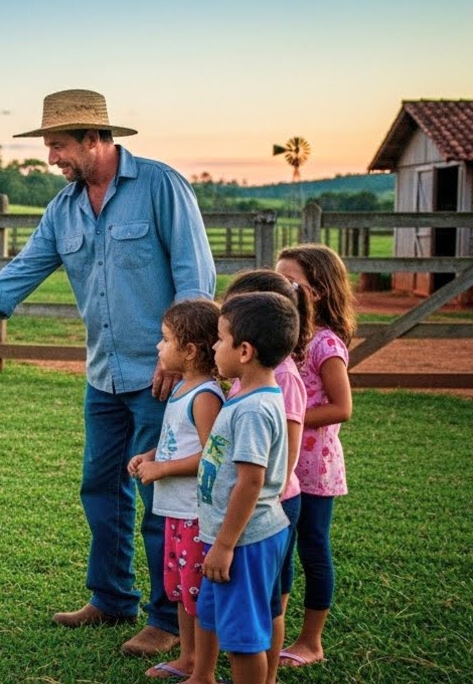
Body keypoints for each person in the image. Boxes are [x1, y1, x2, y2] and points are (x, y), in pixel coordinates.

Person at [0, 89, 217, 655]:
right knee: (100, 488)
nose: (51, 158)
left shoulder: (160, 186)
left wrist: (185, 360)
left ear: (94, 139)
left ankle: (167, 618)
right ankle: (112, 598)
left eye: (58, 146)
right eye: (49, 146)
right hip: (103, 376)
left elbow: (195, 277)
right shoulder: (63, 209)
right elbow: (19, 273)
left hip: (164, 377)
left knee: (163, 495)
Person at [197, 292, 296, 684]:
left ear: (244, 351)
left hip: (244, 540)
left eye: (220, 338)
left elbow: (251, 481)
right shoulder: (248, 397)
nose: (214, 346)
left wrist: (225, 545)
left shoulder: (253, 410)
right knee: (219, 616)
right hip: (236, 536)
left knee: (243, 639)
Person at [221, 270, 313, 684]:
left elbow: (280, 462)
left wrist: (232, 534)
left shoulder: (280, 382)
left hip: (267, 507)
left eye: (221, 336)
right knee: (262, 601)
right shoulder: (249, 381)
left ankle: (266, 675)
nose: (215, 344)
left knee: (266, 603)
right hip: (255, 505)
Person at [127, 299, 224, 680]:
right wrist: (149, 456)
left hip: (196, 515)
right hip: (175, 511)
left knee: (198, 593)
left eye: (165, 339)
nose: (158, 346)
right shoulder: (182, 388)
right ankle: (187, 657)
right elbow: (175, 440)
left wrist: (162, 468)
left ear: (190, 350)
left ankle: (202, 666)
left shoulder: (205, 396)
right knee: (182, 589)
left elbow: (211, 456)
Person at [274, 244, 356, 669]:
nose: (280, 288)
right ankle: (274, 635)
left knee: (313, 549)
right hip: (283, 470)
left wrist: (288, 416)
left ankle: (311, 641)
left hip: (315, 471)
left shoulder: (325, 344)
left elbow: (342, 407)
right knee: (281, 552)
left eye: (290, 283)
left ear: (319, 291)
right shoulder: (286, 338)